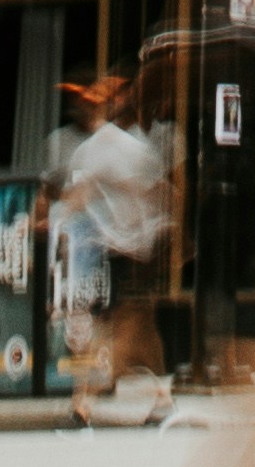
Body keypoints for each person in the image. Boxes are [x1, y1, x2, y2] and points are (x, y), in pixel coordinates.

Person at [50, 62, 175, 423]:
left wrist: (52, 220)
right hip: (126, 249)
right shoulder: (114, 148)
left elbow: (152, 193)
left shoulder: (109, 149)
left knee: (127, 328)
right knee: (128, 326)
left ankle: (92, 399)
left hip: (127, 250)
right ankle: (99, 398)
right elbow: (157, 192)